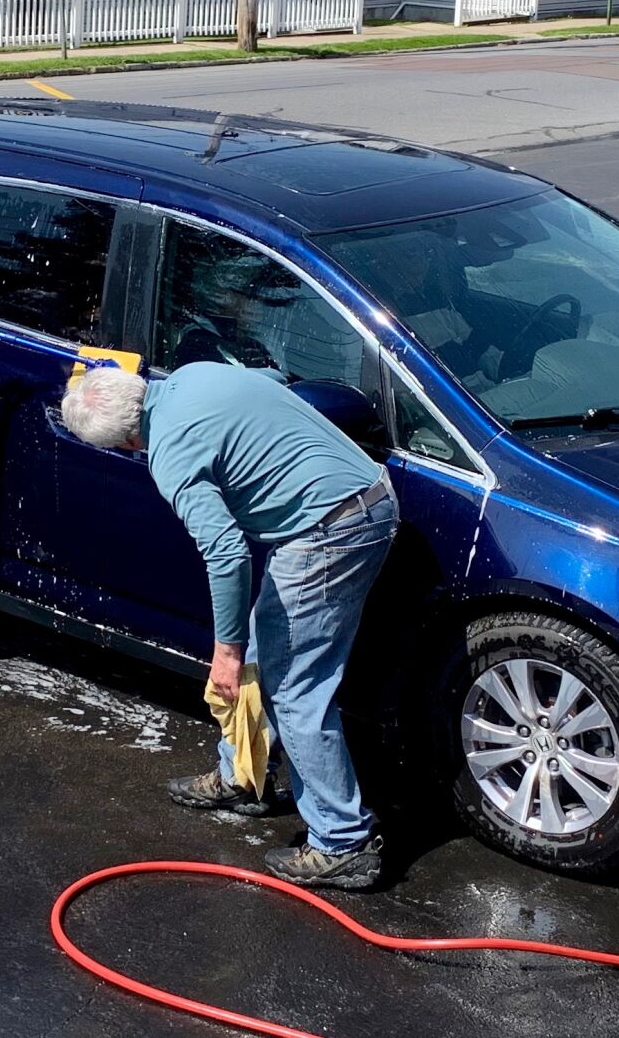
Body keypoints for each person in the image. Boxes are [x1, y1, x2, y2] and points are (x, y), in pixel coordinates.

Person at [61, 363, 398, 890]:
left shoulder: (169, 455)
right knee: (274, 650)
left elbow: (226, 554)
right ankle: (244, 774)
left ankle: (342, 843)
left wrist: (226, 650)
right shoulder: (193, 375)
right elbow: (271, 382)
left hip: (330, 530)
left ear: (128, 442)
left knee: (295, 691)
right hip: (363, 497)